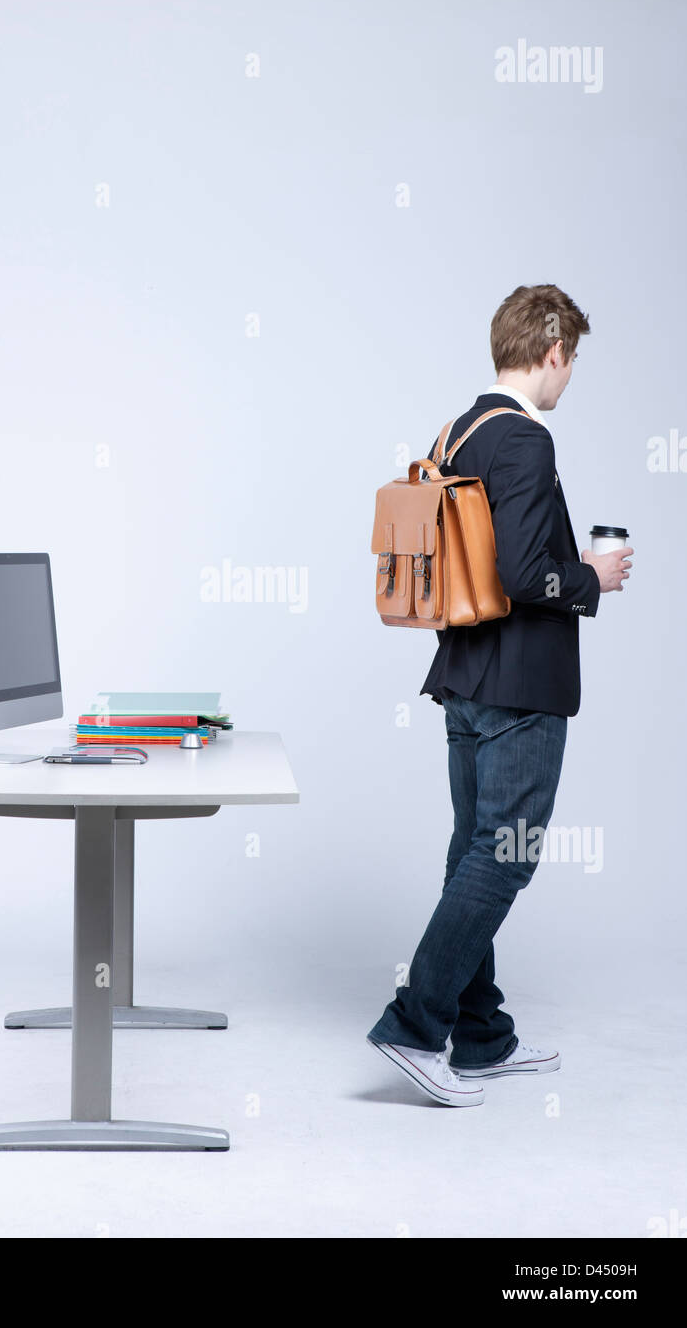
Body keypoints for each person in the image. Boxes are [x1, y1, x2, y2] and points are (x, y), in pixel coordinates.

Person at [367, 284, 634, 1107]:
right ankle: (415, 1026)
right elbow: (521, 574)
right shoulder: (525, 439)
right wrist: (594, 576)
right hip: (519, 684)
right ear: (552, 352)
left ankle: (482, 1038)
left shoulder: (459, 430)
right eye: (572, 360)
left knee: (472, 852)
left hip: (465, 678)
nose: (569, 376)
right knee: (503, 857)